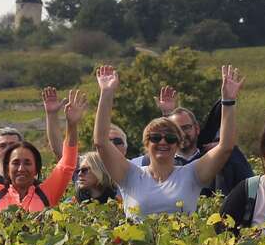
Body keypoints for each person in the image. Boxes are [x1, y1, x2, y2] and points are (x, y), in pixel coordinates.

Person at [93, 64, 245, 218]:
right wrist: (106, 93)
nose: (163, 142)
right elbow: (101, 142)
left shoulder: (192, 174)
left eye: (171, 138)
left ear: (178, 144)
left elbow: (225, 147)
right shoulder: (130, 174)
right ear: (146, 143)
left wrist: (228, 101)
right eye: (156, 138)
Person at [0, 87, 84, 211]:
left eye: (28, 163)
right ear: (7, 168)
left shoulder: (47, 192)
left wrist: (72, 125)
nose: (21, 168)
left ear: (36, 168)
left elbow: (67, 164)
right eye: (16, 163)